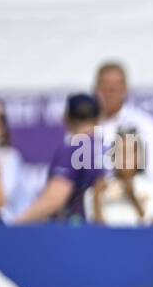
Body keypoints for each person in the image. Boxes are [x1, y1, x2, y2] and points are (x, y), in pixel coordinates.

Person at [16, 94, 106, 224]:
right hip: (113, 232)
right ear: (98, 119)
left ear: (66, 118)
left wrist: (16, 224)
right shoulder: (108, 148)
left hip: (79, 233)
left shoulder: (75, 149)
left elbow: (54, 199)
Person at [94, 61, 153, 183]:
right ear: (96, 88)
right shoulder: (86, 125)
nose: (110, 92)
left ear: (125, 88)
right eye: (105, 86)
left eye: (116, 86)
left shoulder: (145, 125)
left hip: (133, 199)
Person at [84, 127, 153, 226]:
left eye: (130, 151)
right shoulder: (94, 192)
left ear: (140, 156)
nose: (125, 157)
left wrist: (133, 197)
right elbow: (94, 234)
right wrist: (97, 198)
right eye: (120, 151)